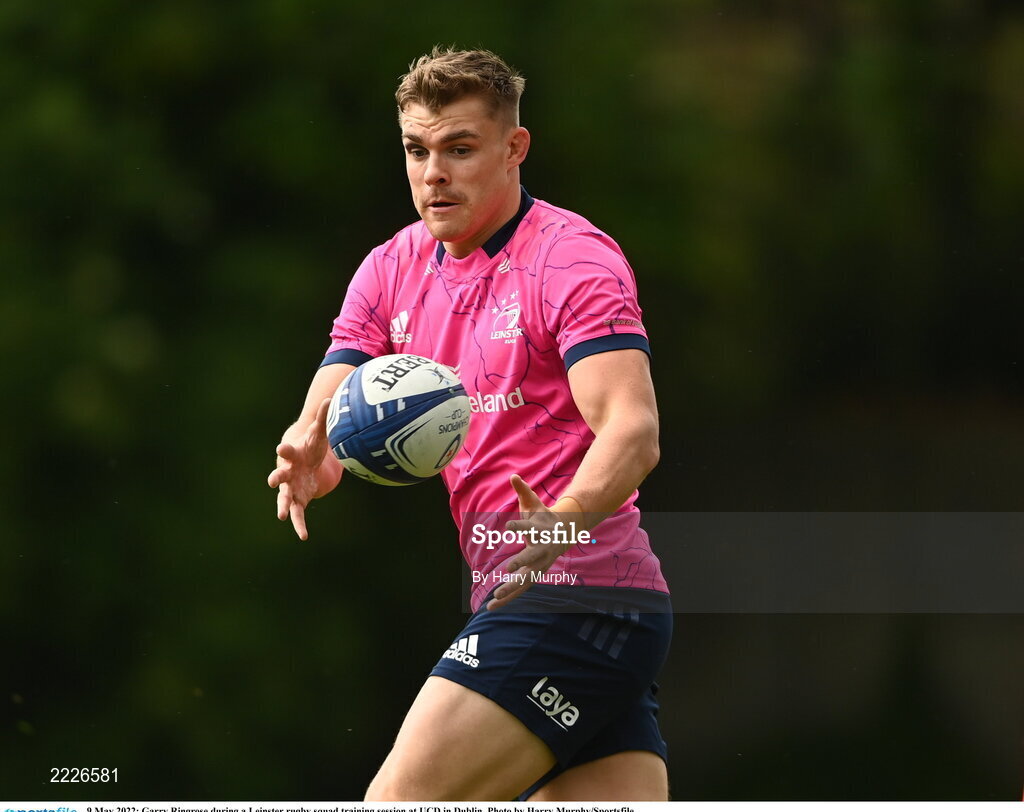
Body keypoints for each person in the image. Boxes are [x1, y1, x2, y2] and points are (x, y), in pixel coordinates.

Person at [267, 46, 671, 801]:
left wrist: (562, 522)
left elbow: (632, 429)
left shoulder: (571, 259)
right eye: (417, 150)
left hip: (575, 594)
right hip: (547, 602)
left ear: (514, 148)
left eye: (459, 148)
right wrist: (313, 442)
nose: (433, 173)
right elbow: (339, 381)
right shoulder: (392, 267)